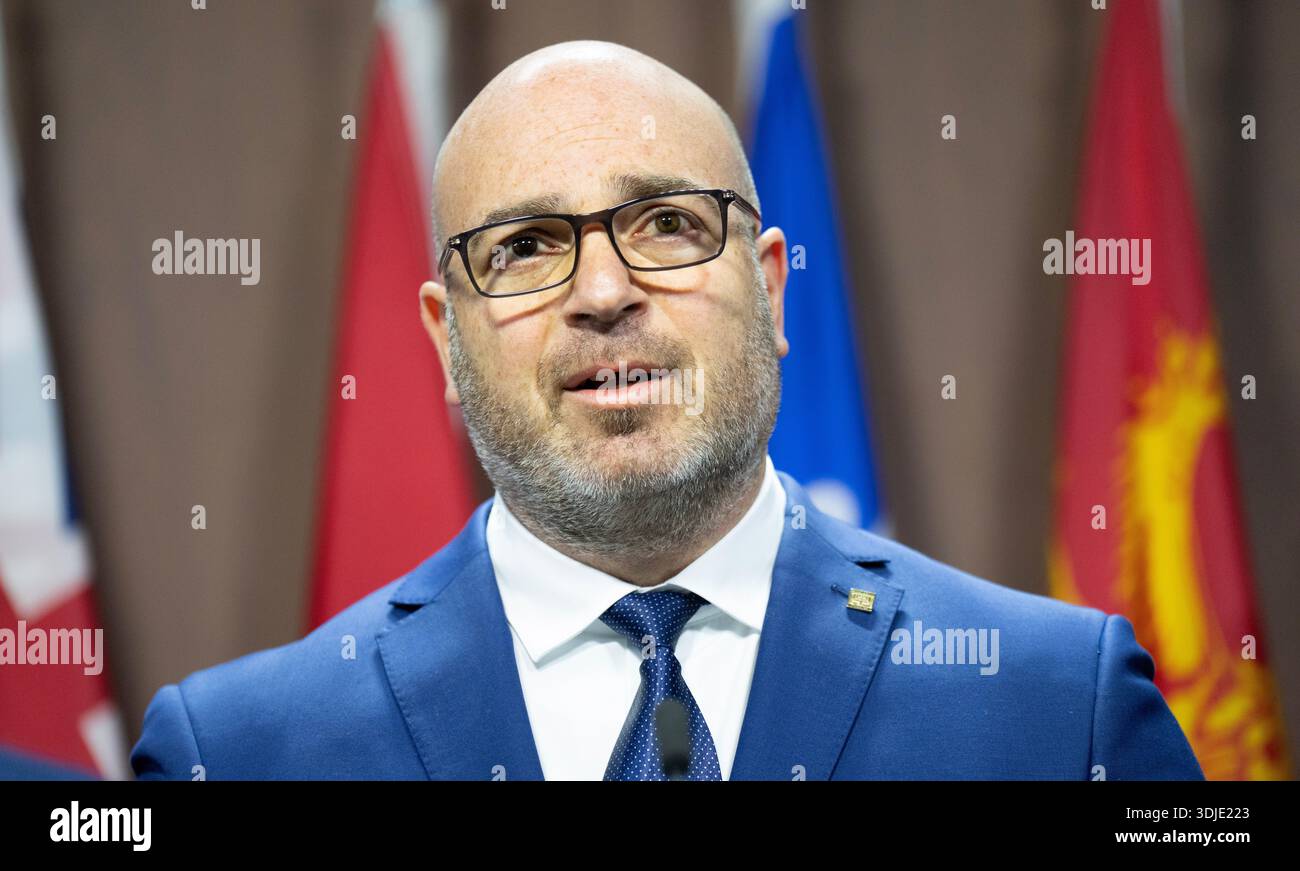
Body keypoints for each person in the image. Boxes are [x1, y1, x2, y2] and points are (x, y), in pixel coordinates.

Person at [131, 40, 1202, 781]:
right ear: (443, 341)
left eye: (667, 225)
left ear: (773, 288)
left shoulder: (1062, 710)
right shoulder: (236, 753)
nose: (602, 293)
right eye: (523, 248)